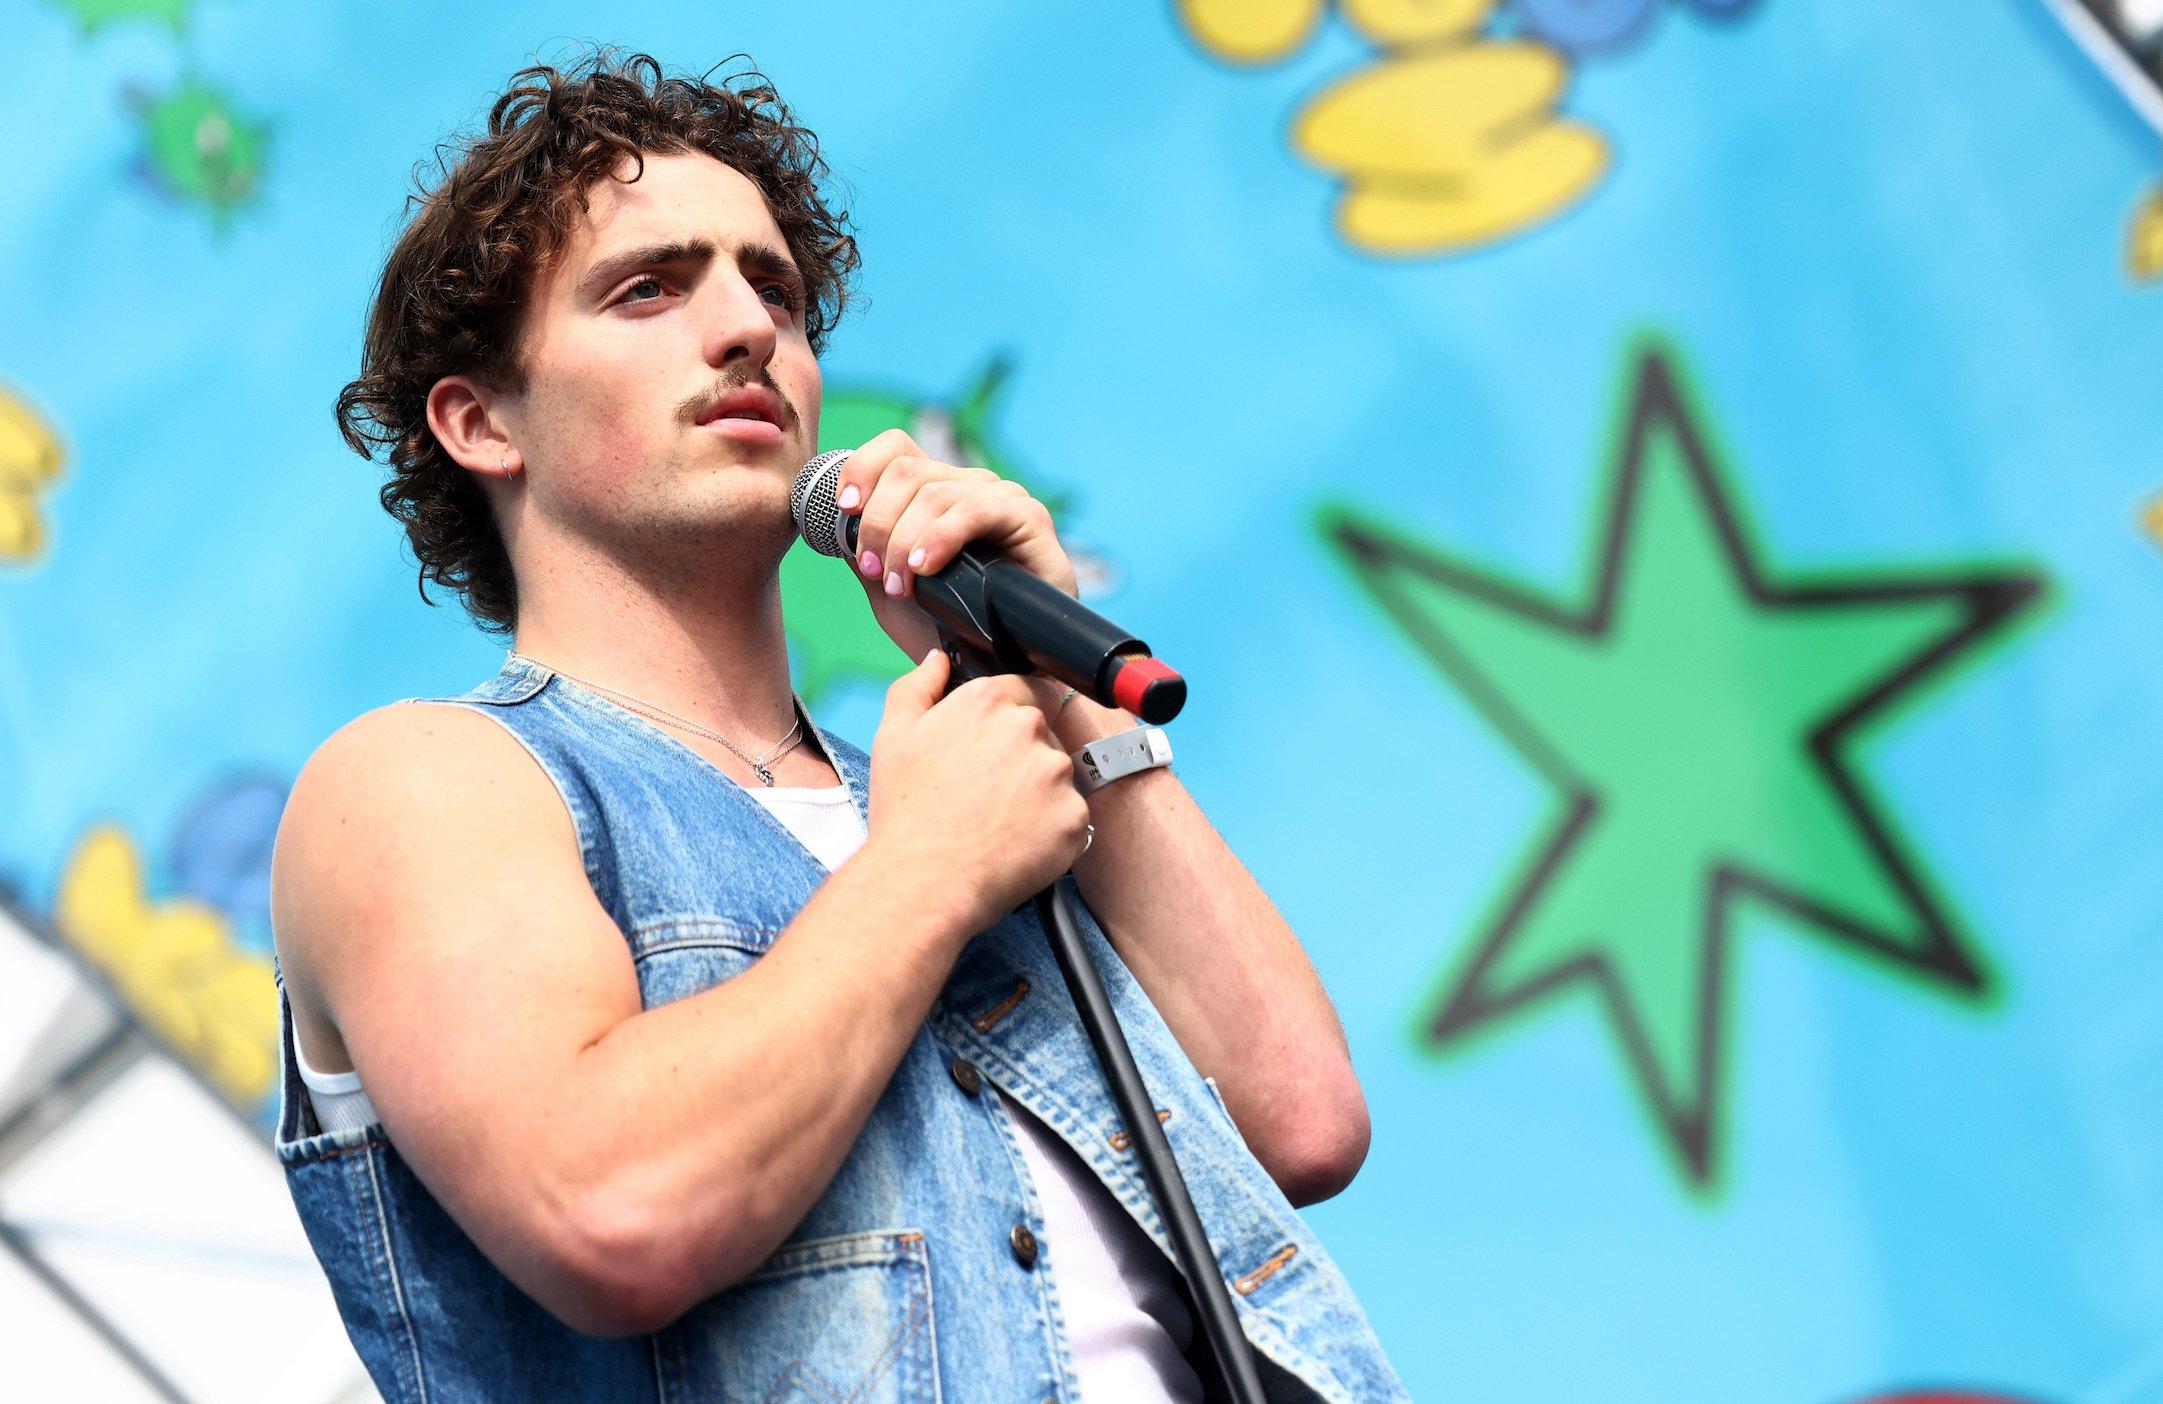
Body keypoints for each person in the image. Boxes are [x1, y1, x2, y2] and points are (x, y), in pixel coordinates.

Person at [272, 46, 1408, 1403]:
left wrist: (1055, 696)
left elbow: (1298, 1120)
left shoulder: (970, 784)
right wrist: (927, 872)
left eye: (777, 291)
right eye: (650, 289)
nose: (749, 327)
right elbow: (610, 1211)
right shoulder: (425, 783)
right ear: (481, 422)